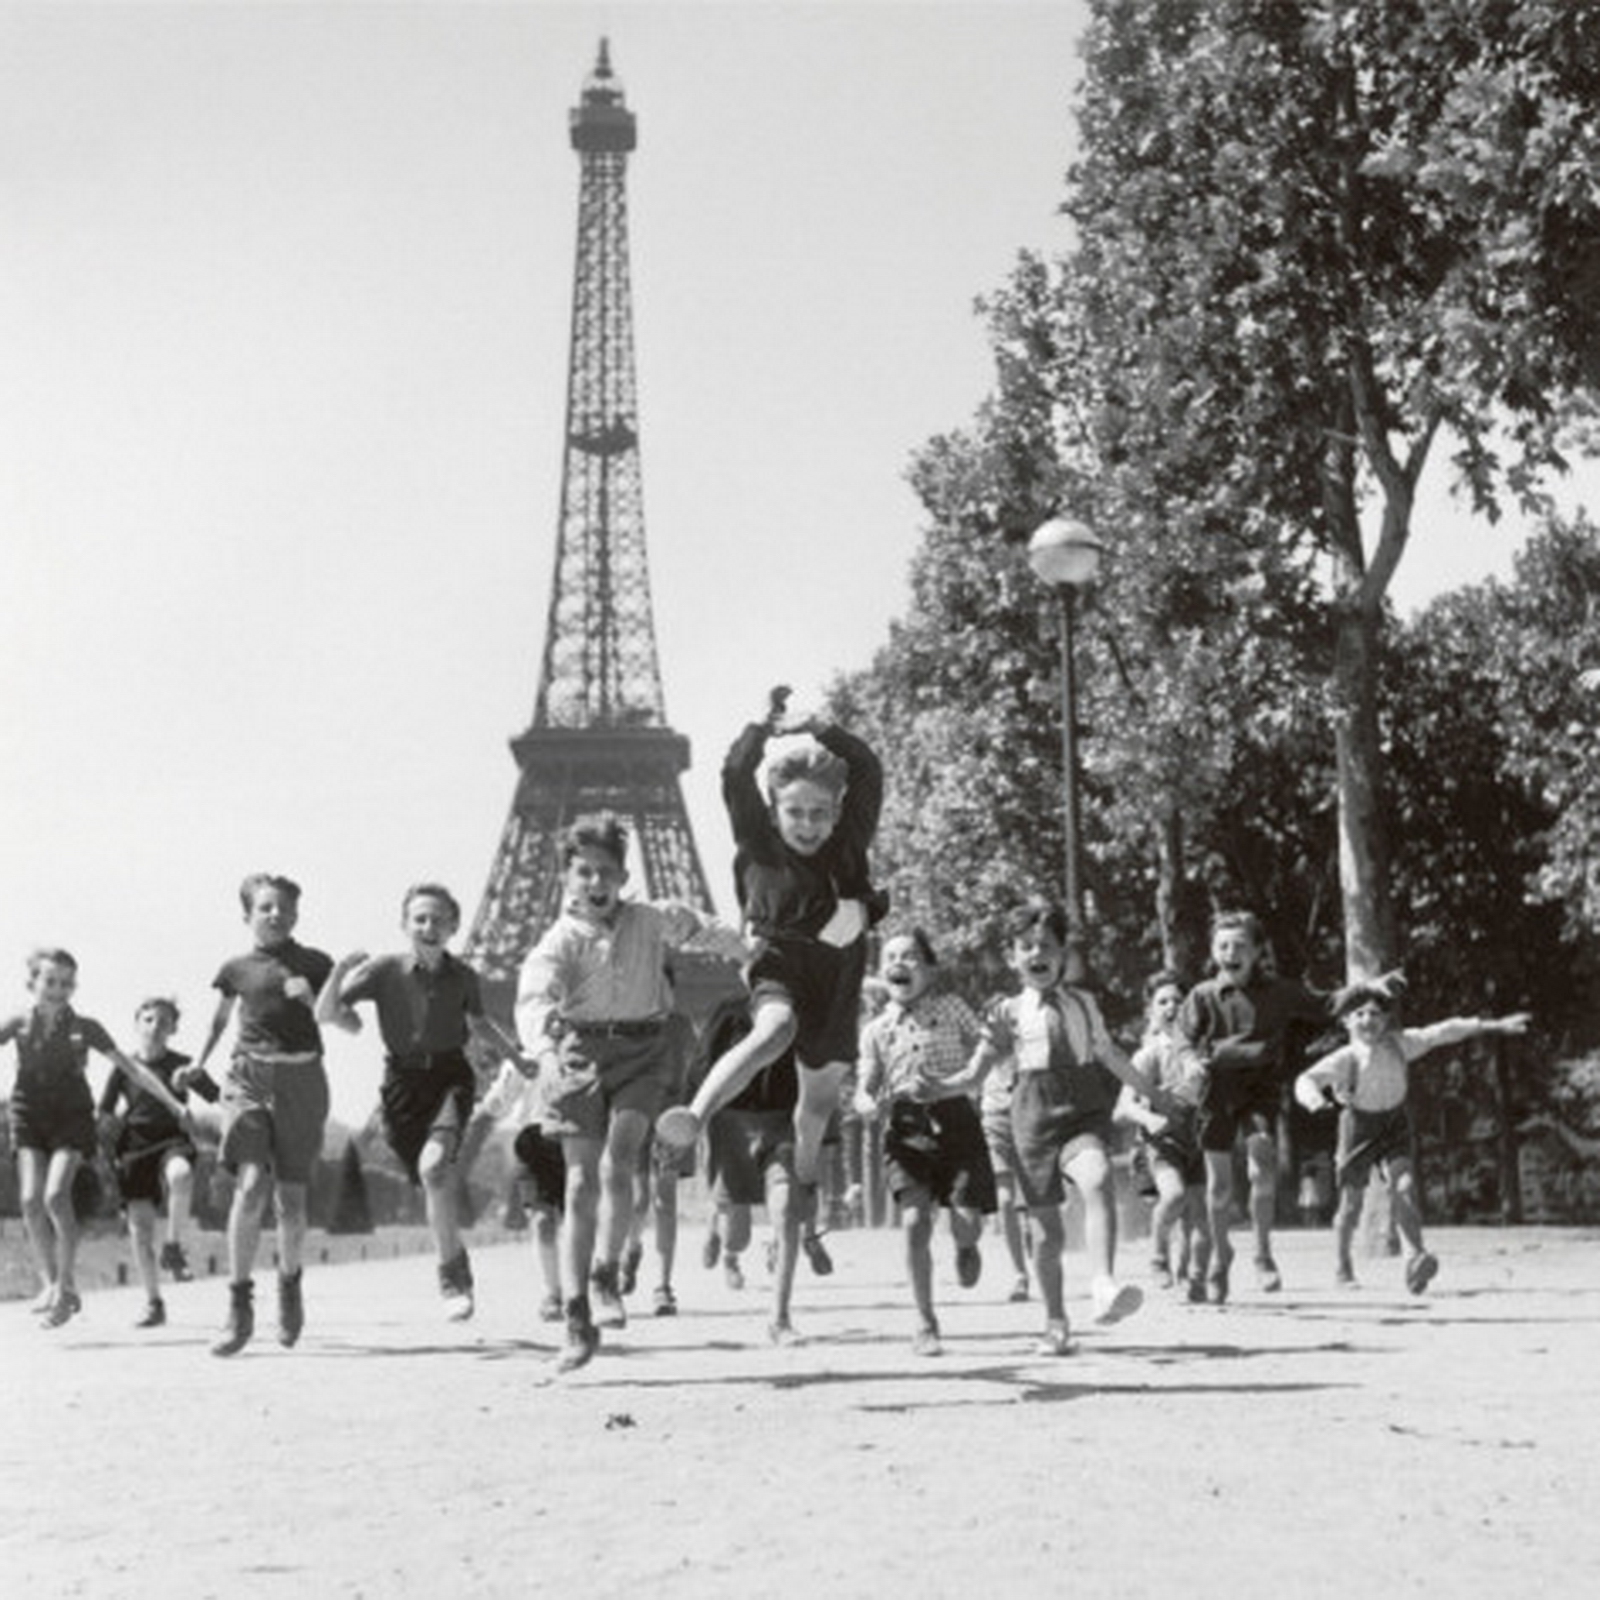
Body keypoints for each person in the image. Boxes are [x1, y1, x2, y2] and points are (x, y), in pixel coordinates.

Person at [659, 687, 886, 1267]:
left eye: (819, 813)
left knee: (813, 1112)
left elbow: (867, 767)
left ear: (838, 814)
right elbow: (735, 771)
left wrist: (820, 727)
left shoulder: (849, 844)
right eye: (795, 812)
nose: (808, 825)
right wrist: (764, 726)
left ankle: (803, 1214)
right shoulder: (756, 841)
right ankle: (697, 1114)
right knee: (773, 1028)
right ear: (771, 809)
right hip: (779, 964)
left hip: (836, 980)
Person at [515, 817, 745, 1373]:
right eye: (584, 871)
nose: (596, 881)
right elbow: (533, 997)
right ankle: (575, 1312)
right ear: (566, 877)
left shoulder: (651, 919)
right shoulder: (559, 940)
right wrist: (543, 1054)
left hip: (643, 1051)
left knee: (621, 1164)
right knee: (577, 1183)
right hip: (579, 1054)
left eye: (607, 872)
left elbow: (702, 928)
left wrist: (750, 949)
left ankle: (605, 1272)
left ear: (623, 875)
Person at [317, 882, 529, 1322]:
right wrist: (338, 973)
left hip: (451, 1076)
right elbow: (327, 1013)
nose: (429, 926)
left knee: (434, 1169)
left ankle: (450, 1275)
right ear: (405, 924)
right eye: (420, 918)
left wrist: (516, 1058)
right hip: (402, 1084)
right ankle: (456, 1259)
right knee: (430, 1177)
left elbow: (481, 1024)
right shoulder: (382, 971)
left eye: (438, 919)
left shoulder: (464, 976)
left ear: (453, 926)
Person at [968, 901, 1149, 1356]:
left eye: (1045, 945)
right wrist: (935, 1088)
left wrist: (1157, 1095)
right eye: (1025, 947)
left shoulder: (1084, 1004)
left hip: (1082, 1106)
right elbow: (975, 1073)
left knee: (1099, 1178)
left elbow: (1110, 1056)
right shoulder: (1005, 1012)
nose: (1036, 953)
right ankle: (1055, 1320)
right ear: (1012, 957)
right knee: (1047, 1233)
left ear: (1063, 953)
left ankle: (1104, 1284)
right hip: (1030, 1115)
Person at [1177, 909, 1376, 1303]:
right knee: (1218, 1188)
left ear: (1256, 953)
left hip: (1259, 1089)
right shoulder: (1201, 995)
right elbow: (1183, 1037)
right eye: (1223, 945)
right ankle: (1221, 1257)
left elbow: (1325, 1004)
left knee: (1261, 1163)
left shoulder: (1279, 992)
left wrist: (1369, 988)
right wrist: (1188, 1061)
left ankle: (1263, 1254)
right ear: (1213, 950)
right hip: (1215, 1090)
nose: (1230, 952)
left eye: (1240, 946)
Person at [177, 873, 334, 1357]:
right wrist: (200, 1061)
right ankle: (238, 1304)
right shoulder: (236, 968)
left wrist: (314, 999)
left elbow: (341, 1019)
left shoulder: (317, 963)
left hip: (302, 1080)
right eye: (265, 907)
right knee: (251, 1185)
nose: (275, 914)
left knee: (292, 1200)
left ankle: (289, 1284)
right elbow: (220, 1019)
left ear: (297, 914)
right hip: (248, 1078)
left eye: (285, 907)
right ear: (247, 915)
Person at [1295, 977, 1531, 1292]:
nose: (1368, 1020)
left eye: (1376, 1013)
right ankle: (1342, 1265)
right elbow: (1306, 1079)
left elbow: (1442, 1032)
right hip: (1358, 1127)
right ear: (1346, 1021)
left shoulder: (1400, 1044)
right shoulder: (1344, 1058)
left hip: (1393, 1123)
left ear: (1387, 1019)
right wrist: (1315, 1101)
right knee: (1351, 1203)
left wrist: (1493, 1025)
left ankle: (1416, 1259)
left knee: (1403, 1187)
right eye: (1360, 1014)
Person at [2, 949, 193, 1329]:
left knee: (56, 1195)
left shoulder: (85, 1027)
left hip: (71, 1118)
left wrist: (173, 1103)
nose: (59, 989)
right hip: (27, 1116)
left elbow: (132, 1068)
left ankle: (67, 1284)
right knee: (29, 1200)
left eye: (66, 983)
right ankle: (50, 1281)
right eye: (50, 981)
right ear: (32, 984)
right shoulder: (18, 1022)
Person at [854, 929, 995, 1356]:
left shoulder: (952, 1007)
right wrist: (865, 1103)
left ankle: (966, 1244)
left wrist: (966, 1078)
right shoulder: (875, 1029)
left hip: (956, 1119)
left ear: (930, 970)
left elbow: (986, 1041)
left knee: (967, 1220)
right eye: (891, 956)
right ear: (881, 973)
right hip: (905, 1128)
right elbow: (865, 1083)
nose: (900, 963)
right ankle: (924, 1320)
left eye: (912, 956)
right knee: (915, 1223)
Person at [97, 996, 219, 1328]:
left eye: (164, 1022)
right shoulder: (123, 1067)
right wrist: (98, 1144)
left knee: (180, 1176)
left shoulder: (183, 1063)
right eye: (148, 1019)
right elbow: (105, 1111)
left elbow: (219, 1096)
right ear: (137, 1024)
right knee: (140, 1230)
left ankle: (173, 1246)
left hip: (173, 1140)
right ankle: (153, 1302)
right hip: (134, 1149)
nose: (155, 1027)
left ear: (174, 1029)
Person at [699, 994, 808, 1344]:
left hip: (782, 1122)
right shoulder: (729, 1011)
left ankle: (780, 1317)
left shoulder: (801, 1010)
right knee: (739, 1237)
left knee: (787, 1210)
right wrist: (689, 1117)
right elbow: (703, 1063)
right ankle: (720, 1230)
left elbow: (819, 1066)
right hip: (731, 1123)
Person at [1113, 970, 1210, 1302]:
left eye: (1179, 1001)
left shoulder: (1201, 1052)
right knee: (1174, 1196)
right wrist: (1149, 1118)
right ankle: (1158, 1254)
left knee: (1198, 1216)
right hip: (1161, 1144)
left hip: (1198, 1142)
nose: (1171, 1006)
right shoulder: (1149, 1055)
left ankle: (1193, 1276)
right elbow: (1122, 1108)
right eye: (1163, 1001)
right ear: (1151, 1012)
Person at [472, 1055, 567, 1322]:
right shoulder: (524, 1057)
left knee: (578, 1221)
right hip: (533, 1141)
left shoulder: (585, 1048)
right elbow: (497, 1103)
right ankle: (553, 1293)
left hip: (576, 1140)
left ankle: (583, 1285)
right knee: (542, 1219)